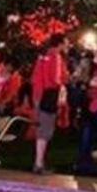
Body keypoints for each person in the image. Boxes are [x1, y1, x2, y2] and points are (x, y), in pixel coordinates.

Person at [31, 33, 69, 174]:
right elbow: (55, 79)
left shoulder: (43, 56)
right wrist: (65, 83)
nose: (67, 45)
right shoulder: (56, 57)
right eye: (66, 42)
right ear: (59, 43)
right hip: (49, 95)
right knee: (45, 130)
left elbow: (35, 77)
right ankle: (39, 164)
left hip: (39, 95)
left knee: (42, 128)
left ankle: (38, 162)